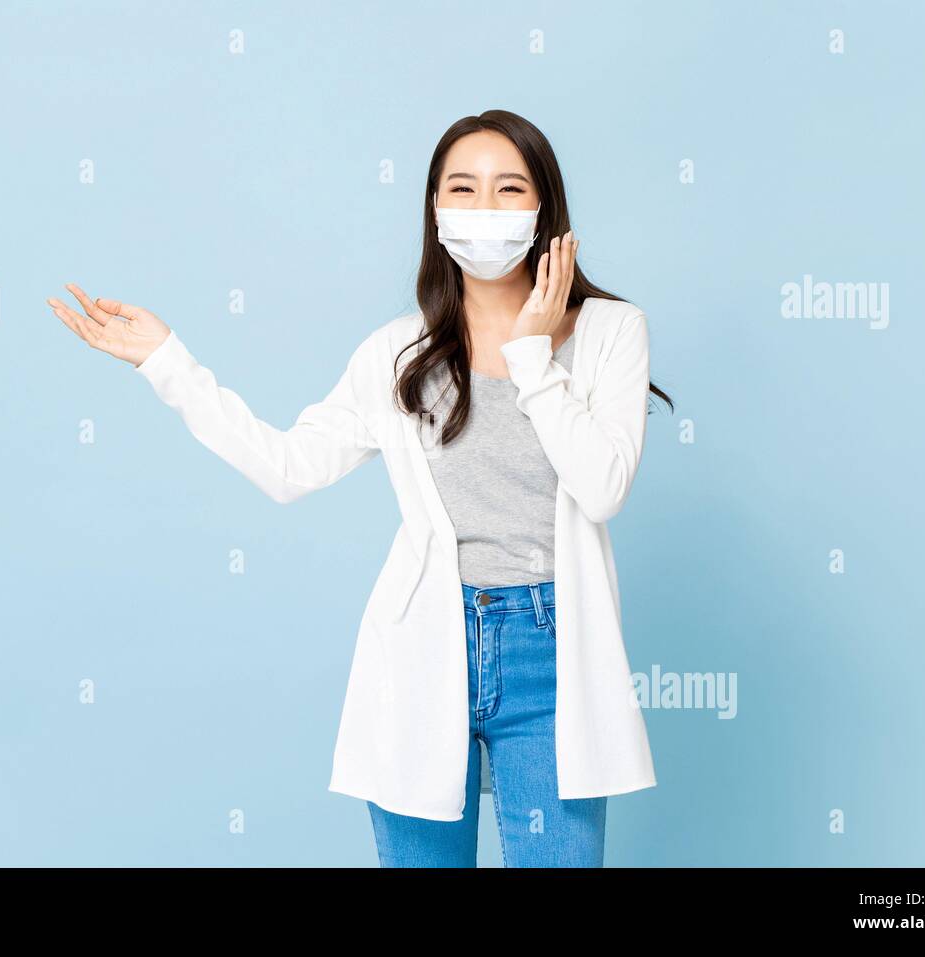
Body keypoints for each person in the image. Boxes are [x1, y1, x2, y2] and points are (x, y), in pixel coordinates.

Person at [48, 109, 673, 867]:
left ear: (546, 211)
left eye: (509, 188)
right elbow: (286, 466)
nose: (484, 208)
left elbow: (603, 488)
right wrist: (168, 362)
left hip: (552, 654)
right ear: (435, 211)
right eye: (462, 188)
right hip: (424, 650)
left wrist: (535, 354)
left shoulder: (609, 332)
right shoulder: (395, 355)